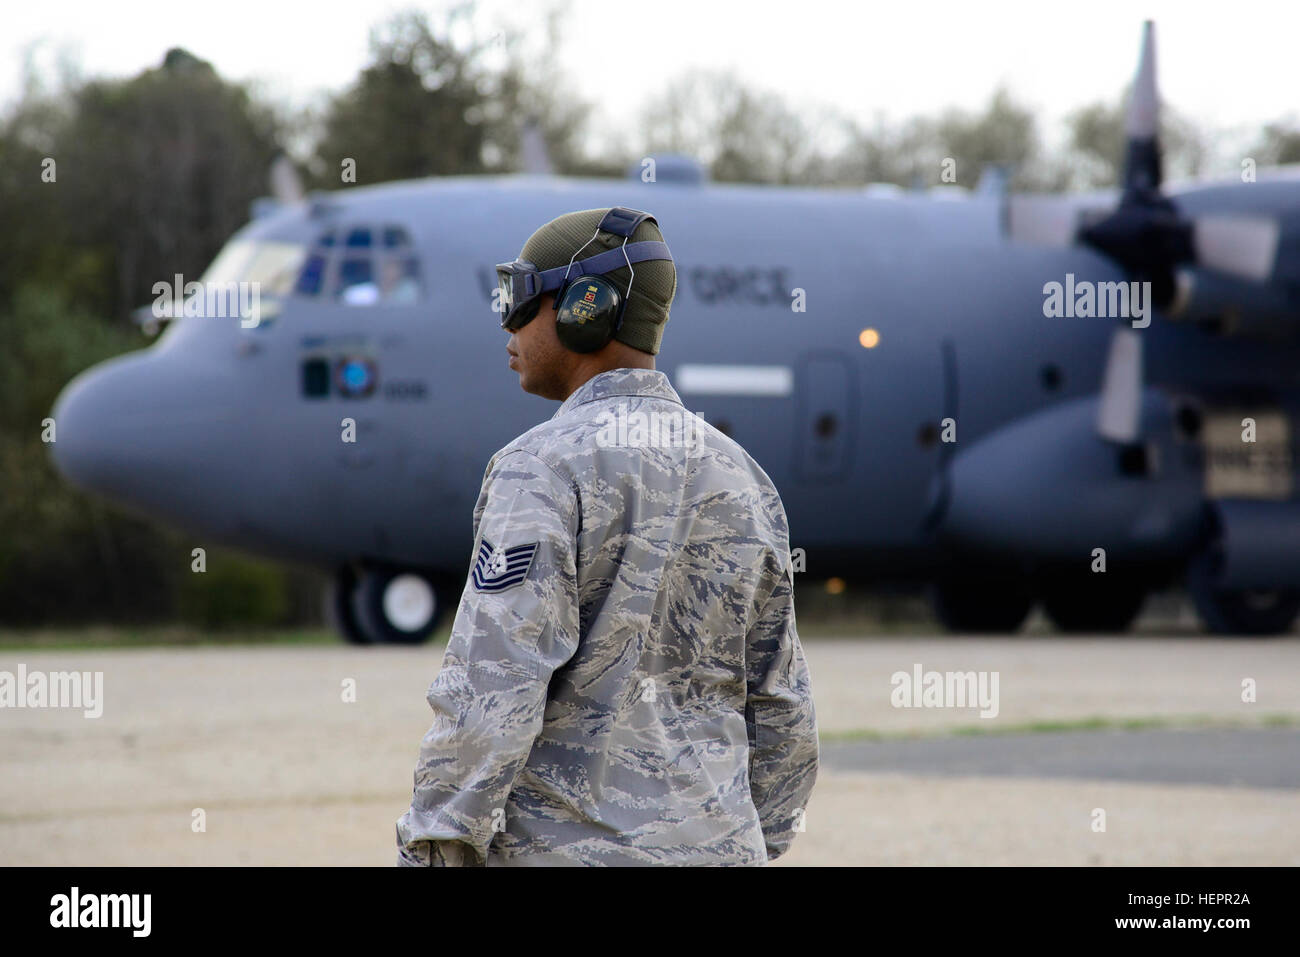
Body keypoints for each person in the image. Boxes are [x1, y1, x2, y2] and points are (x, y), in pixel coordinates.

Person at [396, 207, 817, 866]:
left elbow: (492, 687)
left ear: (583, 309)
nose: (508, 325)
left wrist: (432, 852)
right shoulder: (745, 478)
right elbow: (782, 708)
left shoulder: (543, 466)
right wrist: (735, 841)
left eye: (520, 300)